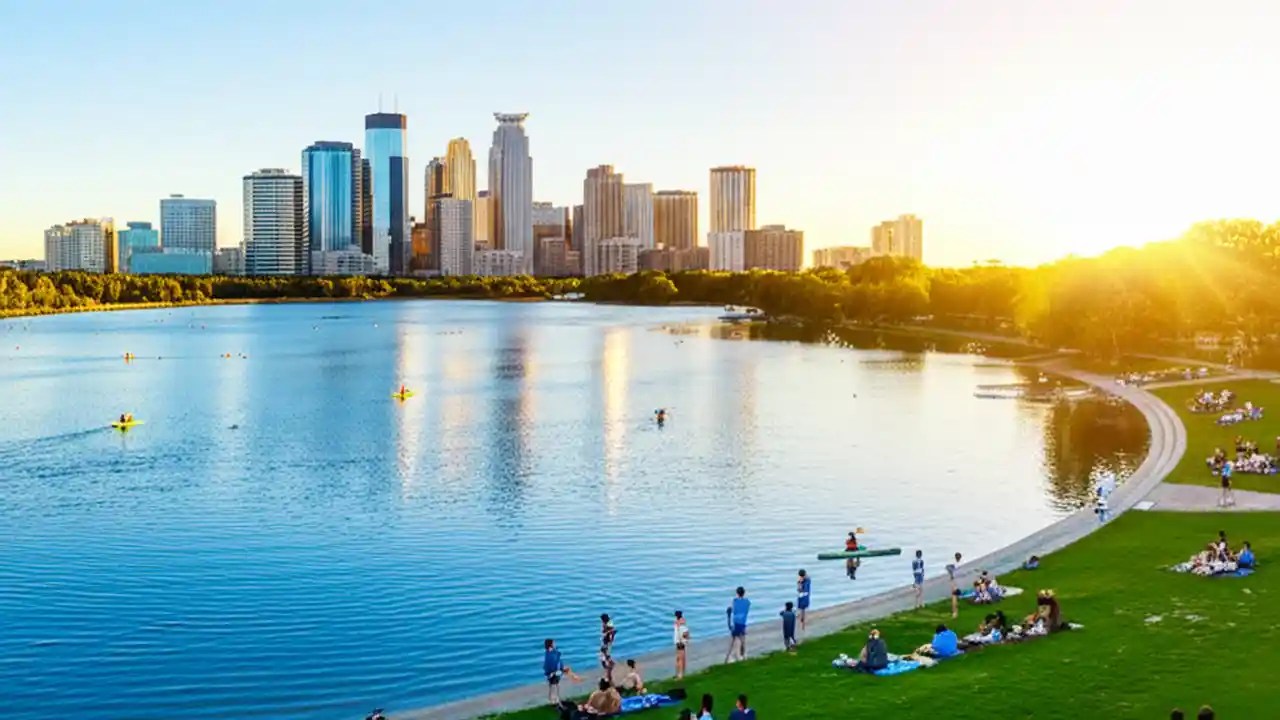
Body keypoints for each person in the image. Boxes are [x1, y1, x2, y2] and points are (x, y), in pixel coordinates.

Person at [543, 638, 579, 705]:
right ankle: (555, 699)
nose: (555, 644)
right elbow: (551, 664)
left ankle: (553, 699)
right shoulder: (550, 655)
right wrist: (555, 672)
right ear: (551, 645)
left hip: (555, 672)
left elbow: (556, 659)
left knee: (554, 685)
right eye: (553, 643)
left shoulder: (550, 652)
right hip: (554, 673)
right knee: (554, 685)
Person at [725, 586, 750, 663]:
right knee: (743, 641)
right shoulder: (747, 602)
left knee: (732, 642)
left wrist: (729, 616)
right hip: (743, 623)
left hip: (736, 623)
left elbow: (733, 610)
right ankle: (743, 656)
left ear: (737, 593)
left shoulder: (735, 601)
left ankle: (728, 658)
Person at [599, 614, 617, 683]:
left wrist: (606, 633)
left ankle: (608, 670)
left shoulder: (608, 625)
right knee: (603, 656)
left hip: (606, 643)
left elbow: (610, 633)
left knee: (604, 655)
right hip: (606, 642)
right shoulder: (608, 624)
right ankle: (608, 666)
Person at [673, 610, 690, 680]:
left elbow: (685, 633)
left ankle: (680, 675)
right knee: (680, 658)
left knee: (680, 659)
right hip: (679, 642)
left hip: (680, 642)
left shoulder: (681, 623)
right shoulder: (678, 623)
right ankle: (681, 673)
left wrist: (683, 638)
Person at [946, 552, 963, 618]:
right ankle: (955, 611)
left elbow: (947, 567)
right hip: (959, 584)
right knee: (956, 597)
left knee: (954, 598)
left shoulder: (953, 565)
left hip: (955, 584)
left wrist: (951, 574)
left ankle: (955, 612)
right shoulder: (960, 565)